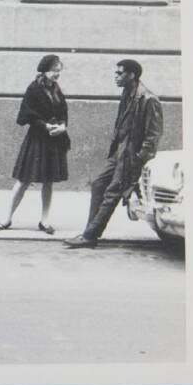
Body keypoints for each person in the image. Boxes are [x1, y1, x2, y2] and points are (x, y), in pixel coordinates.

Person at [64, 60, 163, 249]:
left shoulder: (148, 99)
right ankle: (88, 232)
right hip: (119, 153)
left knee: (111, 194)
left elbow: (153, 135)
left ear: (132, 75)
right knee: (98, 184)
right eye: (116, 73)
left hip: (131, 157)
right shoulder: (127, 94)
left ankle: (90, 236)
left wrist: (139, 159)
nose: (115, 77)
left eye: (120, 73)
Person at [0, 55, 70, 235]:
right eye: (54, 70)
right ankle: (6, 218)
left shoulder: (57, 90)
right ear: (44, 70)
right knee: (23, 180)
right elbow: (26, 115)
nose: (57, 74)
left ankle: (45, 220)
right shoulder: (34, 89)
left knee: (49, 181)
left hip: (54, 140)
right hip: (37, 140)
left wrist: (63, 126)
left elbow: (64, 111)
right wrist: (44, 125)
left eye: (59, 71)